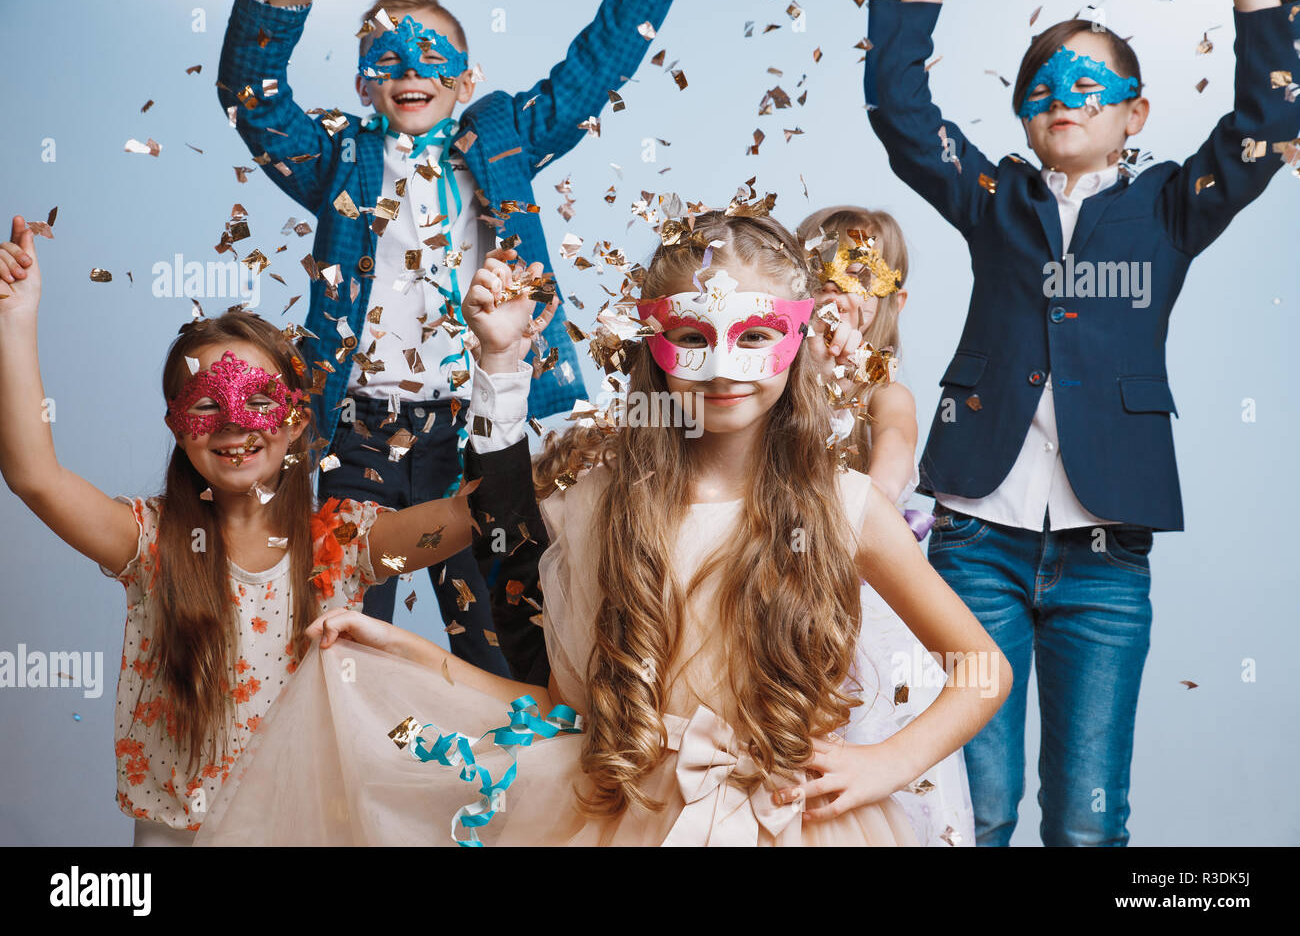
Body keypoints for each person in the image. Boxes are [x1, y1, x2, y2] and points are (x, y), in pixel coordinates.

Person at [195, 210, 1010, 846]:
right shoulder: (599, 508)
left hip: (800, 825)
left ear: (795, 341)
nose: (723, 366)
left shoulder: (845, 507)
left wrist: (887, 764)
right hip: (634, 819)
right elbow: (561, 705)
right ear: (654, 347)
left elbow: (983, 670)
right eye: (694, 338)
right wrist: (409, 653)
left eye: (755, 336)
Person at [863, 0, 1300, 844]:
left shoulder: (1172, 208)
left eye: (1092, 85)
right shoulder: (993, 199)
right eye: (1046, 86)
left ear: (1135, 114)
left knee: (1085, 820)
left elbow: (1269, 127)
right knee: (972, 808)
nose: (1068, 98)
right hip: (976, 541)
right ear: (1025, 116)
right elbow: (900, 113)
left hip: (1106, 556)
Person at [217, 0, 686, 671]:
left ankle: (505, 781)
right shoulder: (338, 157)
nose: (412, 72)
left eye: (433, 58)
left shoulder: (506, 137)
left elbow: (593, 72)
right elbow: (250, 96)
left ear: (467, 79)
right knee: (341, 646)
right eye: (392, 58)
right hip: (361, 440)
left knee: (499, 644)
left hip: (475, 435)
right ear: (361, 83)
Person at [0, 217, 476, 845]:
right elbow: (34, 476)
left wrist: (500, 362)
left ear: (298, 421)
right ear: (175, 423)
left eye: (258, 402)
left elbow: (477, 514)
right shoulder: (149, 542)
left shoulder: (352, 543)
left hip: (306, 826)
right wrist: (16, 318)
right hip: (179, 834)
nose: (233, 425)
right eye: (204, 404)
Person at [795, 204, 975, 846]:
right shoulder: (774, 385)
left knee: (880, 742)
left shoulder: (884, 393)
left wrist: (879, 496)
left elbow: (896, 441)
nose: (838, 292)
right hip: (790, 596)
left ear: (892, 300)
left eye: (860, 278)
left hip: (874, 605)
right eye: (821, 273)